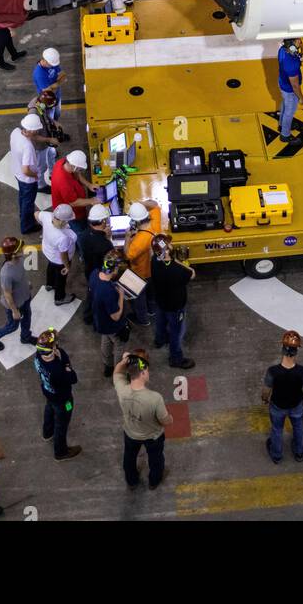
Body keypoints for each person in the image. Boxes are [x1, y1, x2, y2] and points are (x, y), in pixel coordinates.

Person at [113, 350, 172, 491]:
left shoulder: (121, 389)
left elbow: (117, 373)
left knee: (129, 457)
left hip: (130, 433)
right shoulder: (154, 398)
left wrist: (124, 361)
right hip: (152, 436)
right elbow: (165, 421)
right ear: (144, 372)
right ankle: (154, 481)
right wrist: (170, 418)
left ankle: (131, 480)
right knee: (156, 459)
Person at [262, 330, 303, 464]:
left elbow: (266, 391)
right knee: (298, 429)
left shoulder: (272, 371)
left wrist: (265, 399)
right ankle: (299, 453)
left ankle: (276, 456)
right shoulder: (302, 371)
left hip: (277, 406)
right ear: (296, 351)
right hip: (296, 407)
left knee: (277, 430)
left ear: (282, 349)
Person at [33, 329, 82, 461]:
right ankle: (60, 452)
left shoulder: (38, 355)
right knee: (62, 424)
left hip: (48, 392)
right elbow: (73, 378)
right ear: (52, 348)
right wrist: (67, 367)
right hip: (63, 400)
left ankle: (47, 432)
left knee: (49, 409)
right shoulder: (57, 371)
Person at [0, 236, 37, 351]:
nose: (22, 249)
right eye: (19, 248)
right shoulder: (6, 273)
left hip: (25, 297)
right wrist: (14, 311)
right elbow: (7, 294)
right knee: (12, 326)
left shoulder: (20, 259)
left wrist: (26, 283)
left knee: (27, 317)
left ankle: (25, 337)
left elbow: (21, 275)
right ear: (13, 255)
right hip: (15, 304)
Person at [150, 236, 196, 369]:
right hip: (175, 306)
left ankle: (160, 340)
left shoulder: (154, 260)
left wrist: (170, 258)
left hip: (160, 301)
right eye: (169, 245)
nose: (171, 245)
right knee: (176, 332)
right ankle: (176, 358)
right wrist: (177, 261)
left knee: (160, 322)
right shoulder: (177, 271)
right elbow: (192, 273)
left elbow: (165, 259)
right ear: (167, 251)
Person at [10, 113, 58, 235]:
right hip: (27, 180)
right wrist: (35, 176)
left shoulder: (16, 132)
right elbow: (26, 170)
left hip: (17, 173)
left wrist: (47, 139)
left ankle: (23, 216)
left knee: (22, 197)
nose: (38, 132)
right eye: (36, 130)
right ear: (31, 131)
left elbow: (32, 137)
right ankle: (27, 226)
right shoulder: (28, 147)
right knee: (28, 202)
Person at [90, 250, 129, 376]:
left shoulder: (94, 274)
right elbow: (116, 316)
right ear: (115, 269)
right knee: (119, 346)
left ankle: (108, 366)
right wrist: (121, 296)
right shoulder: (108, 291)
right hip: (113, 325)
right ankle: (118, 373)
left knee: (106, 340)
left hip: (100, 320)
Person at [125, 199, 162, 326]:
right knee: (151, 293)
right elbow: (154, 205)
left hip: (140, 273)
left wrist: (127, 238)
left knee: (139, 298)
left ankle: (143, 320)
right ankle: (152, 310)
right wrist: (139, 204)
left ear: (136, 221)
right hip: (154, 270)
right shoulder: (155, 224)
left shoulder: (139, 241)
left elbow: (128, 255)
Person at [50, 149, 98, 240]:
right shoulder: (63, 182)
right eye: (79, 168)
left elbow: (77, 173)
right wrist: (91, 201)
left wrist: (89, 185)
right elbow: (74, 202)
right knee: (80, 234)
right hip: (72, 214)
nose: (80, 171)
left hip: (77, 208)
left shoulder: (63, 162)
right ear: (73, 166)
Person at [37, 203, 77, 305]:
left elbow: (36, 214)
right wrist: (67, 266)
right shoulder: (62, 237)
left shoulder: (47, 216)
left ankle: (49, 284)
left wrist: (44, 226)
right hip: (59, 261)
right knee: (61, 278)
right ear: (63, 221)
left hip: (49, 252)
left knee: (51, 267)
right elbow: (63, 255)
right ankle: (59, 298)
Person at [80, 203, 112, 325]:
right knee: (97, 296)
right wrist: (107, 238)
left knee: (91, 292)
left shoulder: (84, 234)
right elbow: (110, 259)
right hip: (100, 274)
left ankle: (88, 315)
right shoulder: (105, 244)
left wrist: (103, 235)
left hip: (89, 270)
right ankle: (91, 317)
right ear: (103, 221)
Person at [32, 48, 69, 139]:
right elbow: (48, 90)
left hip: (56, 95)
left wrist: (55, 85)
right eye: (51, 64)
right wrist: (59, 82)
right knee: (50, 119)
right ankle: (53, 133)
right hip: (48, 100)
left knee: (57, 114)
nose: (53, 66)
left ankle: (55, 127)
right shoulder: (39, 74)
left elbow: (63, 74)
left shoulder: (52, 63)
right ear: (44, 60)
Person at [277, 37, 303, 142]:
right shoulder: (291, 65)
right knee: (289, 112)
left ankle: (282, 125)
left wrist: (298, 55)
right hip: (290, 90)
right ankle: (285, 135)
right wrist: (301, 98)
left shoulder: (283, 49)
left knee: (285, 105)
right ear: (293, 43)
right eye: (299, 41)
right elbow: (295, 86)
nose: (300, 41)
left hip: (282, 83)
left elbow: (295, 54)